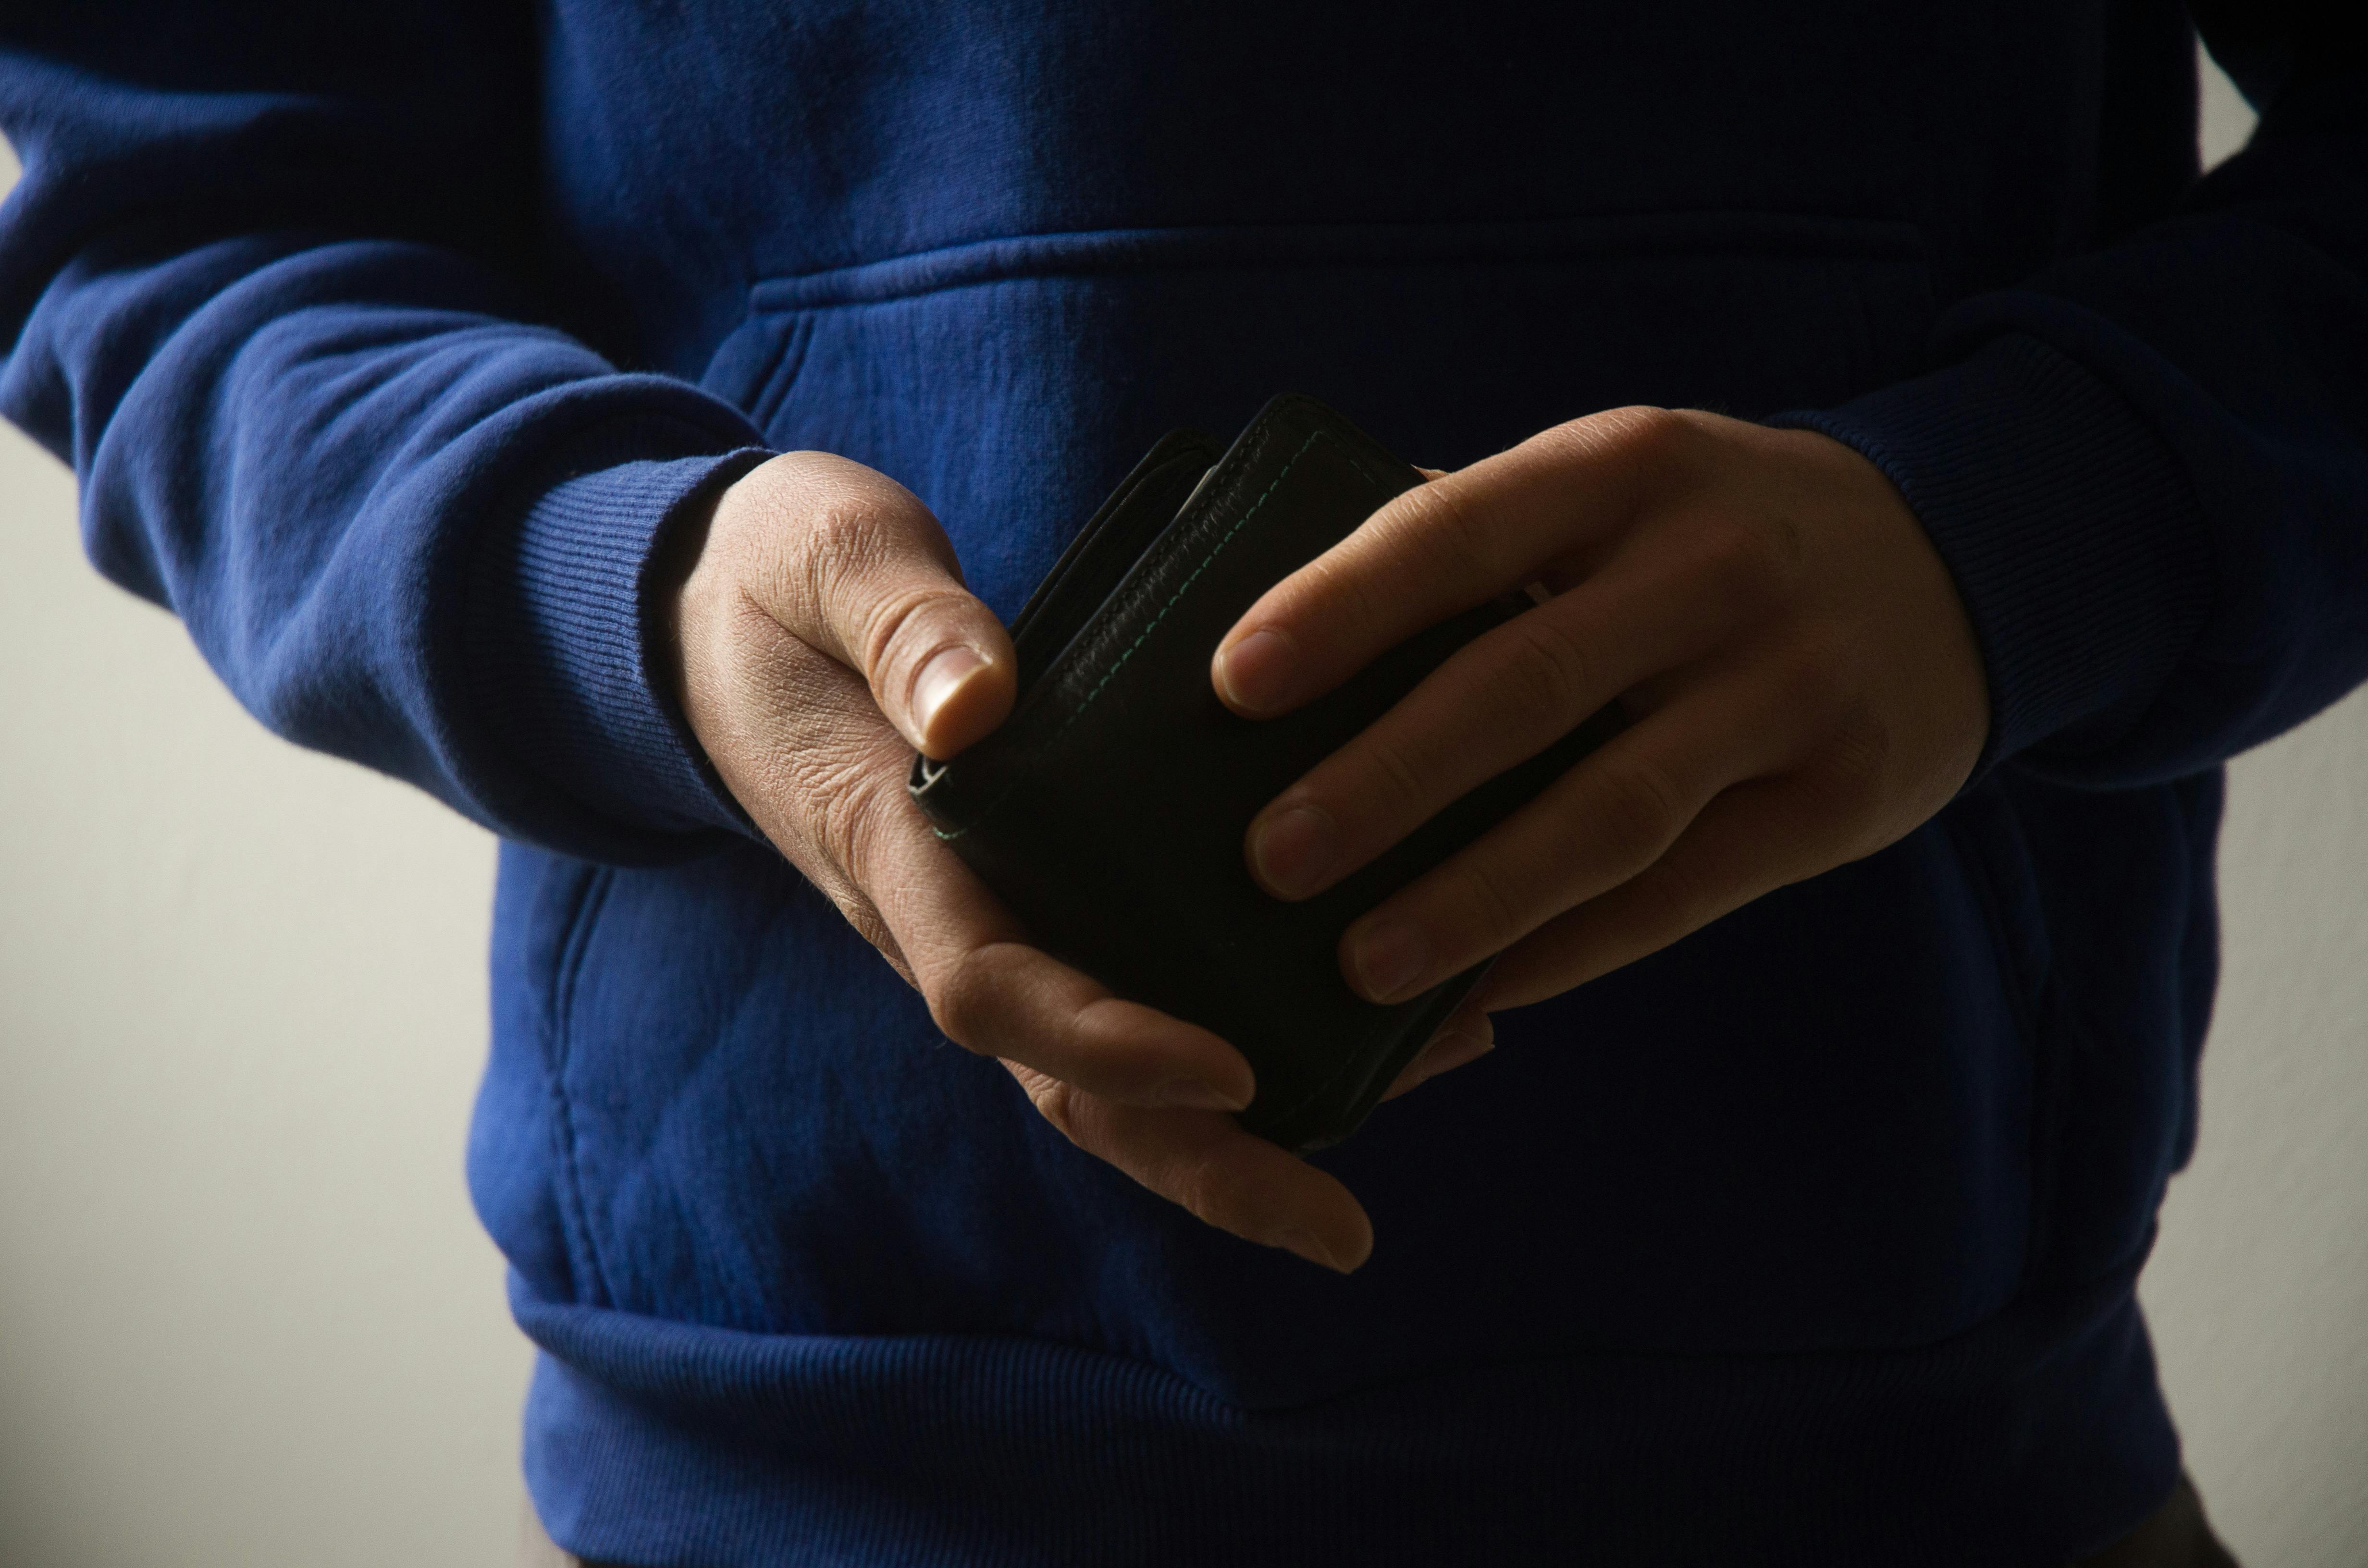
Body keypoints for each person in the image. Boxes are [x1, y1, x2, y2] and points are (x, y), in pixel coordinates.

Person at [1, 2, 2357, 1563]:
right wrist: (632, 579)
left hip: (1922, 1466)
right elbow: (189, 227)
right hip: (775, 1465)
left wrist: (2022, 530)